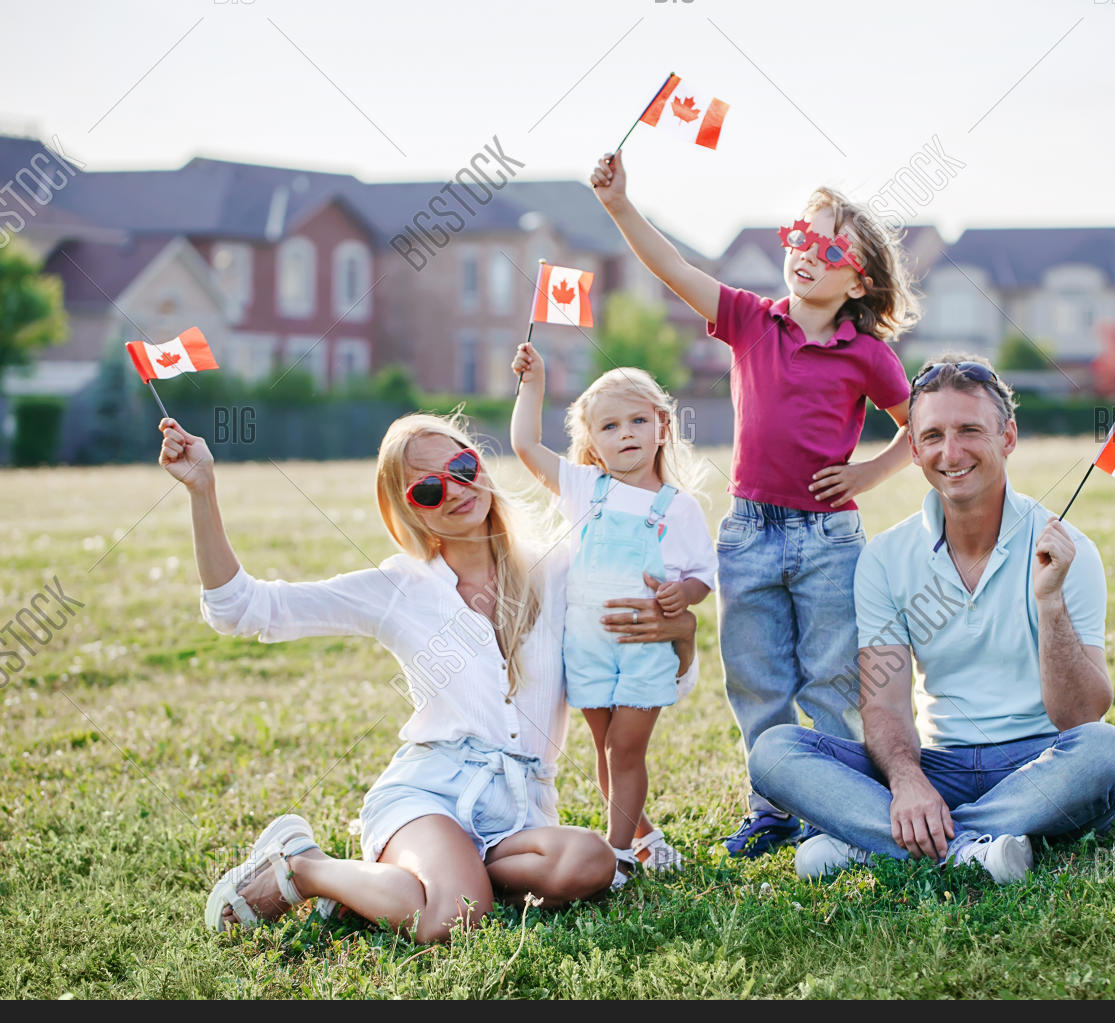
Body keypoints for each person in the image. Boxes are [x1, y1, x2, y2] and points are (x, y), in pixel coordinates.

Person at [158, 410, 701, 944]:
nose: (456, 490)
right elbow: (239, 608)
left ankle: (411, 886)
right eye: (427, 490)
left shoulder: (561, 568)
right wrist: (202, 491)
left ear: (481, 467)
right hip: (429, 794)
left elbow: (649, 681)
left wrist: (682, 629)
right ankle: (304, 866)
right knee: (455, 919)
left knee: (591, 862)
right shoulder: (403, 587)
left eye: (462, 467)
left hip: (519, 812)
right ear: (408, 512)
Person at [591, 151, 921, 857]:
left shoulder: (867, 355)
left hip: (829, 539)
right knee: (758, 681)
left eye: (829, 247)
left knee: (831, 682)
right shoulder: (749, 319)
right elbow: (675, 270)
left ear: (857, 279)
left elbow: (920, 430)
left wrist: (868, 475)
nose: (806, 252)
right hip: (748, 532)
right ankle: (773, 808)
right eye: (801, 235)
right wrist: (621, 206)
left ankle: (840, 814)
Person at [748, 356, 1115, 882]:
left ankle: (887, 842)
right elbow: (883, 702)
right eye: (932, 435)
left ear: (1008, 437)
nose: (950, 453)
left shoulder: (1069, 550)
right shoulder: (887, 557)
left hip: (1041, 762)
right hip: (940, 765)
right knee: (774, 752)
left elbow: (1081, 715)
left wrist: (1050, 602)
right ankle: (973, 849)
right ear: (913, 449)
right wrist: (908, 780)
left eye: (970, 431)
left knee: (1108, 752)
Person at [510, 343, 715, 885]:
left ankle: (618, 852)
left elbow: (702, 576)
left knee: (626, 749)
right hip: (587, 644)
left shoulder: (678, 506)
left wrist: (683, 595)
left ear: (662, 427)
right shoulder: (583, 490)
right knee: (604, 751)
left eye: (637, 420)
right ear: (593, 446)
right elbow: (525, 444)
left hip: (644, 646)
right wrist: (534, 384)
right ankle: (643, 835)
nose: (625, 433)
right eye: (609, 426)